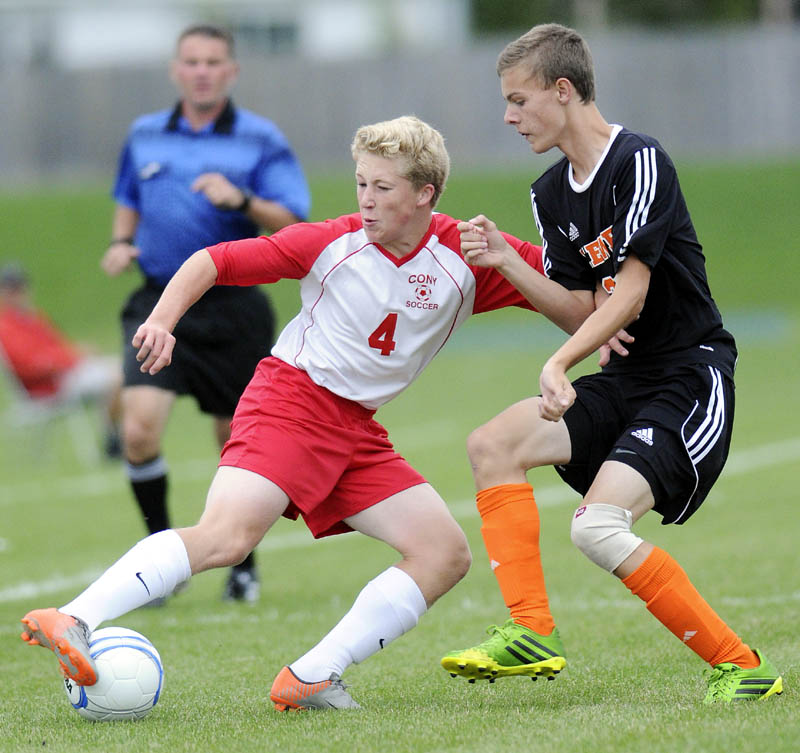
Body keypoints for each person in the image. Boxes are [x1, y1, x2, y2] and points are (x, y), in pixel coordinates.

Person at [20, 115, 600, 711]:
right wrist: (162, 321)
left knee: (443, 552)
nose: (366, 202)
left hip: (356, 429)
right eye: (360, 184)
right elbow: (212, 261)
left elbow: (582, 303)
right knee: (227, 538)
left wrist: (513, 265)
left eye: (383, 188)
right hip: (291, 403)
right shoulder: (331, 242)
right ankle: (74, 617)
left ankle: (313, 675)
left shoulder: (470, 257)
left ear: (426, 194)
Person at [440, 23, 783, 704]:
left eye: (518, 100)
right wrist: (511, 263)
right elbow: (584, 309)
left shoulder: (639, 160)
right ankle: (532, 630)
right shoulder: (549, 195)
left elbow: (630, 292)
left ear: (562, 90)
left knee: (597, 528)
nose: (508, 117)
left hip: (690, 378)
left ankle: (745, 667)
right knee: (492, 444)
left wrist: (561, 361)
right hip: (628, 378)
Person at [101, 24, 310, 603]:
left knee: (237, 442)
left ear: (230, 72)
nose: (201, 71)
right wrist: (123, 240)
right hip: (159, 301)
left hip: (233, 306)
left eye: (213, 61)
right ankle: (157, 565)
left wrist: (241, 199)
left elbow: (294, 226)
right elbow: (127, 196)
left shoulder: (260, 139)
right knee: (138, 430)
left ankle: (242, 562)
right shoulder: (144, 134)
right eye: (191, 61)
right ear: (176, 70)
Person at [0, 263, 122, 457]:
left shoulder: (32, 317)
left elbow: (55, 346)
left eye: (20, 286)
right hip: (47, 386)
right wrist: (73, 356)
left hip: (64, 374)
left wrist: (75, 353)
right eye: (12, 288)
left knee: (122, 369)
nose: (18, 293)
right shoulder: (5, 327)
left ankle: (114, 436)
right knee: (117, 378)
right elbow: (31, 364)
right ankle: (113, 441)